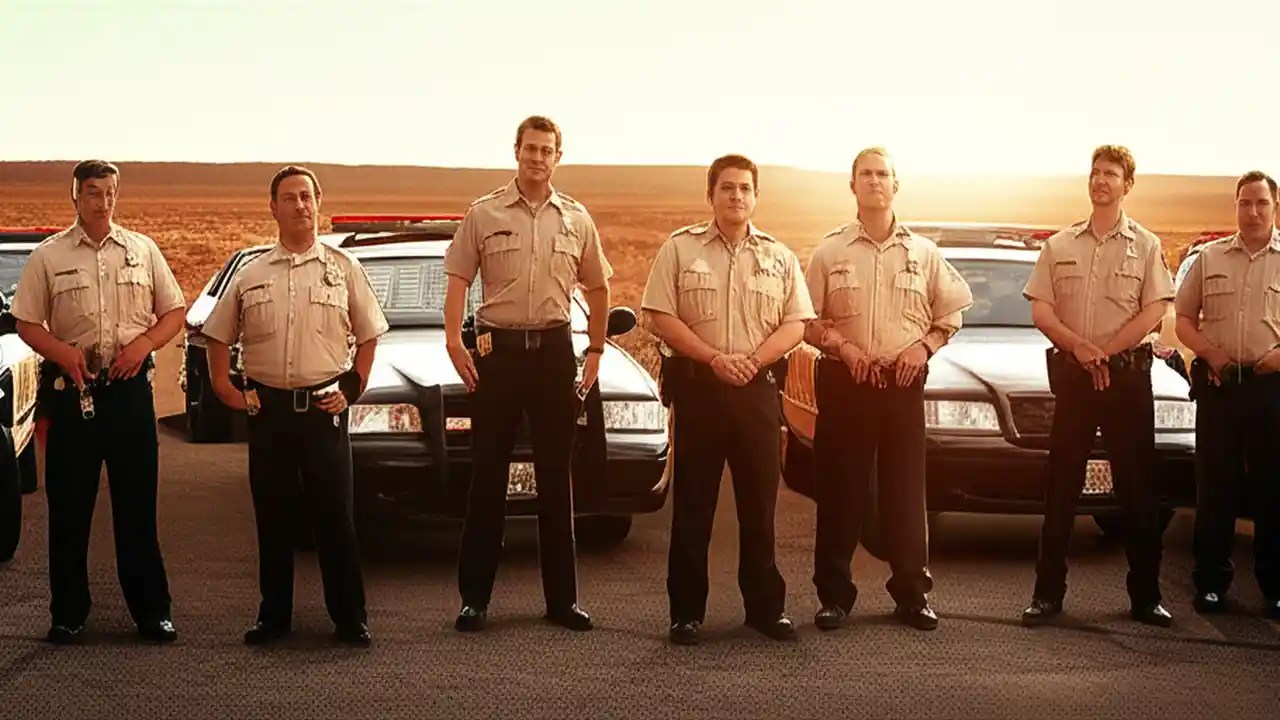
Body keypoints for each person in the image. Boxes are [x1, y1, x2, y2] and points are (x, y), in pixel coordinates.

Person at [203, 165, 388, 646]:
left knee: (335, 518)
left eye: (307, 197)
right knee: (273, 517)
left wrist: (352, 387)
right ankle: (274, 616)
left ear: (318, 203)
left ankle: (350, 617)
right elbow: (217, 335)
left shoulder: (342, 268)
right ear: (274, 208)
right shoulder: (251, 273)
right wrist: (227, 390)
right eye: (289, 198)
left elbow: (369, 335)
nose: (300, 205)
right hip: (269, 412)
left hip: (324, 409)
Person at [443, 116, 612, 633]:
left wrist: (597, 350)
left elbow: (599, 288)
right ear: (516, 152)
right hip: (500, 353)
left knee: (555, 481)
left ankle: (563, 601)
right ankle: (475, 600)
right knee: (487, 477)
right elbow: (457, 278)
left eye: (547, 150)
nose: (538, 157)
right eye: (530, 148)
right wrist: (455, 341)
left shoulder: (577, 219)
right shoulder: (484, 212)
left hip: (554, 353)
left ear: (558, 157)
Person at [640, 154, 814, 645]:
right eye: (727, 188)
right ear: (711, 195)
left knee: (759, 506)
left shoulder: (779, 256)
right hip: (700, 391)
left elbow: (796, 323)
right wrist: (715, 358)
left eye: (745, 188)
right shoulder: (681, 249)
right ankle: (686, 613)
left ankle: (764, 609)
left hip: (757, 393)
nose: (736, 196)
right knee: (694, 504)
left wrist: (753, 361)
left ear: (755, 196)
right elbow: (660, 315)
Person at [11, 160, 184, 644]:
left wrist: (145, 343)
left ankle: (152, 612)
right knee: (68, 509)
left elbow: (173, 310)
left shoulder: (142, 250)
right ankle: (67, 613)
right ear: (75, 196)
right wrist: (63, 353)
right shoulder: (49, 256)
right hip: (74, 397)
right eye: (92, 192)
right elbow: (26, 322)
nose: (102, 202)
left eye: (109, 192)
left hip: (129, 396)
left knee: (137, 508)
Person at [803, 147, 973, 632]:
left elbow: (951, 315)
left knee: (905, 492)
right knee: (840, 491)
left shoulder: (923, 253)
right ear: (852, 185)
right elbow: (804, 321)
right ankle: (834, 596)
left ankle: (912, 595)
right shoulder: (829, 251)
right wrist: (840, 346)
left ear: (895, 185)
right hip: (847, 381)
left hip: (902, 383)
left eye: (883, 174)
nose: (874, 181)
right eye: (865, 174)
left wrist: (925, 347)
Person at [1020, 145, 1175, 628]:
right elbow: (1041, 309)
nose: (1101, 180)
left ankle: (1146, 597)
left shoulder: (1146, 246)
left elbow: (1154, 310)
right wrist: (1079, 348)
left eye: (1111, 173)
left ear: (1127, 185)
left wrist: (1106, 350)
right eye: (1095, 172)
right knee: (1061, 487)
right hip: (1075, 379)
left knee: (1137, 489)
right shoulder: (1060, 245)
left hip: (1126, 378)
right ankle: (1047, 595)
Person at [1173, 170, 1280, 620]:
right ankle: (1211, 584)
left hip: (1272, 389)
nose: (1252, 212)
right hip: (1219, 387)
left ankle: (1275, 589)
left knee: (1273, 490)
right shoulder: (1208, 258)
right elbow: (1182, 319)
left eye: (1261, 203)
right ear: (1234, 206)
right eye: (1244, 203)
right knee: (1215, 488)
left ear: (1274, 207)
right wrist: (1211, 354)